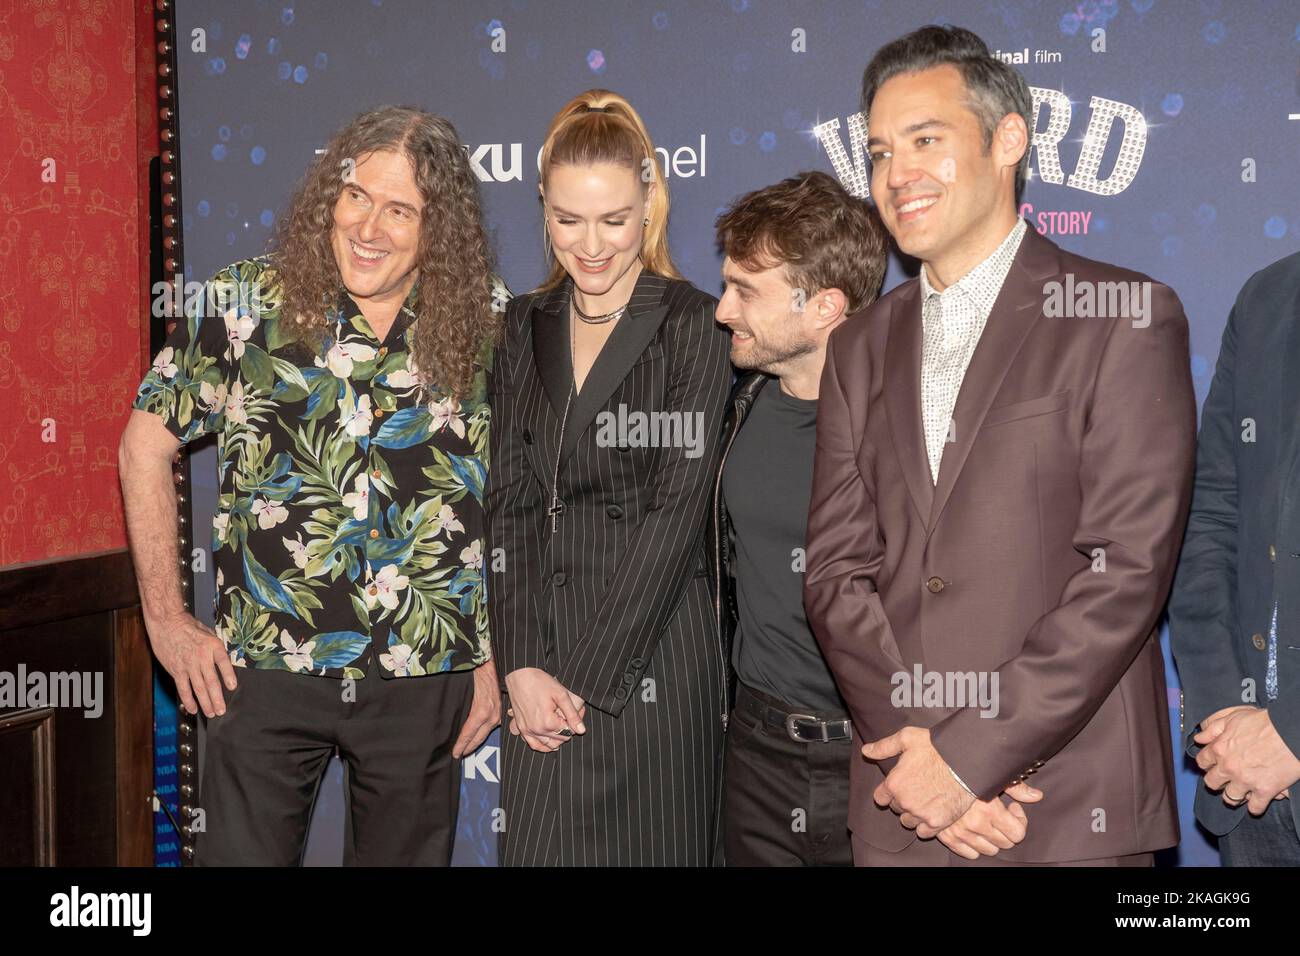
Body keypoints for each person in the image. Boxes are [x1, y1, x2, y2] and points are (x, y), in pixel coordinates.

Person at [803, 25, 1196, 866]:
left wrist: (971, 758)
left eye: (926, 141)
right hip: (902, 807)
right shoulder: (858, 347)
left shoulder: (1122, 317)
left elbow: (1125, 570)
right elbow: (836, 574)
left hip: (1066, 811)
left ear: (1008, 139)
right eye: (879, 151)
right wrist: (924, 762)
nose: (897, 173)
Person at [120, 106, 505, 865]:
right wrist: (165, 619)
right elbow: (142, 447)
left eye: (401, 210)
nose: (369, 226)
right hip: (261, 670)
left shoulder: (486, 323)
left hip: (421, 673)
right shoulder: (244, 305)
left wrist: (491, 652)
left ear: (439, 230)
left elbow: (508, 499)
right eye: (356, 195)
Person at [488, 89, 732, 866]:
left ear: (651, 200)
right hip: (538, 672)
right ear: (542, 206)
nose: (590, 245)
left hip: (654, 661)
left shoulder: (696, 323)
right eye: (568, 219)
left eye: (614, 220)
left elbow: (677, 512)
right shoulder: (519, 326)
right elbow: (510, 500)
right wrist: (522, 663)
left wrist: (587, 677)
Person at [709, 171, 887, 866]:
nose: (724, 310)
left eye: (746, 291)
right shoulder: (739, 409)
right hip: (754, 750)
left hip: (876, 759)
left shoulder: (909, 430)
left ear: (824, 307)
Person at [1169, 251, 1300, 865]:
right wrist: (1222, 708)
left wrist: (1292, 732)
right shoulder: (1270, 296)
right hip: (1248, 788)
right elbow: (1214, 511)